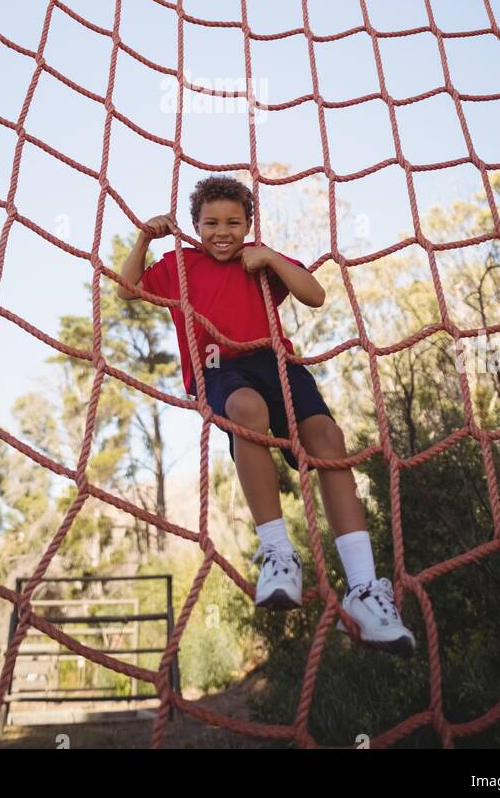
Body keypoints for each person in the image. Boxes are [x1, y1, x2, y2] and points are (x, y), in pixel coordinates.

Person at [116, 173, 416, 655]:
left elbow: (315, 295)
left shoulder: (259, 260)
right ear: (194, 225)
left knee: (328, 440)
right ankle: (278, 553)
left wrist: (272, 258)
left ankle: (363, 590)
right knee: (245, 409)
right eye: (211, 222)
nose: (222, 231)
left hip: (276, 361)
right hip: (217, 366)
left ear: (248, 224)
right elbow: (126, 290)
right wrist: (143, 239)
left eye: (234, 222)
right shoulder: (179, 263)